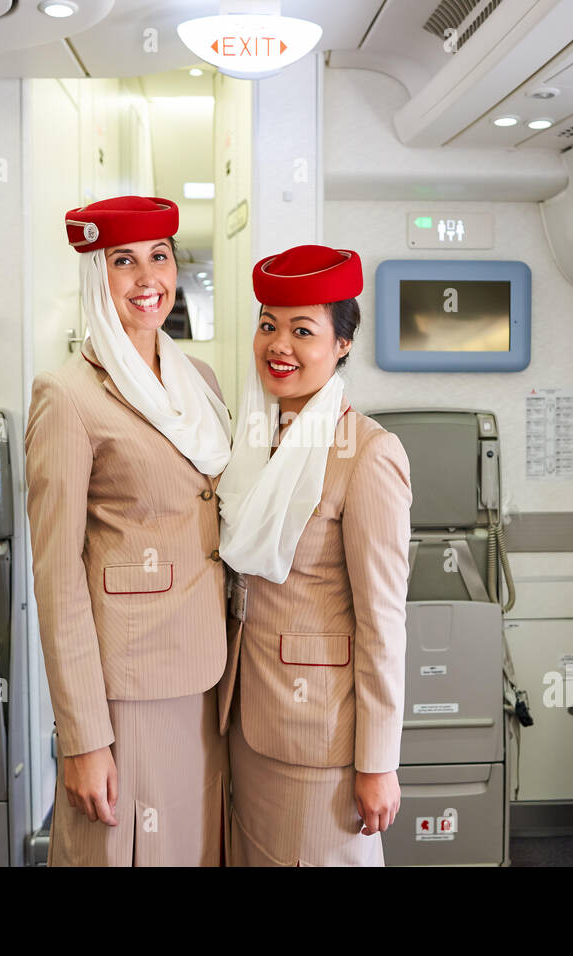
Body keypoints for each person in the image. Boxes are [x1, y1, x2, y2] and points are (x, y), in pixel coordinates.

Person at [24, 196, 232, 866]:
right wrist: (84, 737)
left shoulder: (197, 380)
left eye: (159, 256)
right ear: (95, 275)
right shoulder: (68, 396)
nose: (148, 278)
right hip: (130, 684)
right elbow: (57, 578)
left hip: (206, 673)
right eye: (124, 261)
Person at [216, 244, 412, 866]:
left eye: (303, 330)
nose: (279, 345)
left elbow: (383, 623)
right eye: (268, 325)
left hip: (318, 733)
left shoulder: (369, 454)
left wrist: (378, 762)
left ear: (342, 343)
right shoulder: (250, 441)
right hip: (243, 714)